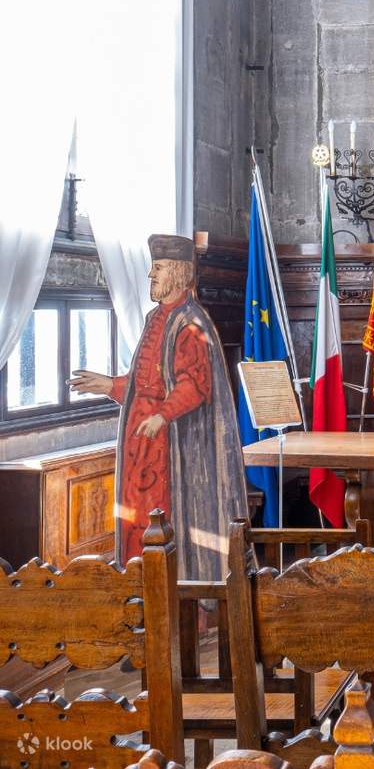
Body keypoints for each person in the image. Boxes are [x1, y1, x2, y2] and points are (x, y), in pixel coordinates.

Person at [70, 234, 248, 581]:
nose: (151, 274)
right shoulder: (155, 317)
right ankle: (141, 593)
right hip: (143, 443)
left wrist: (161, 415)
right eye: (153, 267)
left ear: (179, 273)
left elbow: (194, 385)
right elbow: (146, 382)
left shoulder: (192, 324)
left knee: (168, 522)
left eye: (159, 267)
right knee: (137, 517)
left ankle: (180, 608)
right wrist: (109, 385)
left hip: (174, 448)